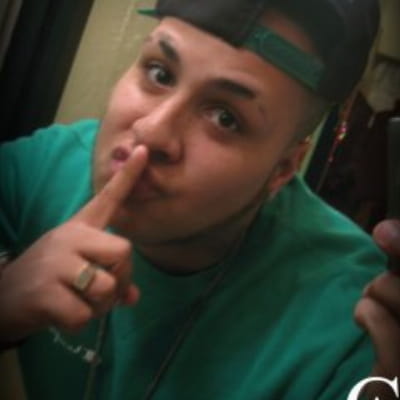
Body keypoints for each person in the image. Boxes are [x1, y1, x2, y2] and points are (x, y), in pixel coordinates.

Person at [0, 0, 399, 399]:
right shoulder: (45, 168)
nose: (151, 132)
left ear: (282, 169)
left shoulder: (351, 317)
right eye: (159, 73)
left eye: (225, 118)